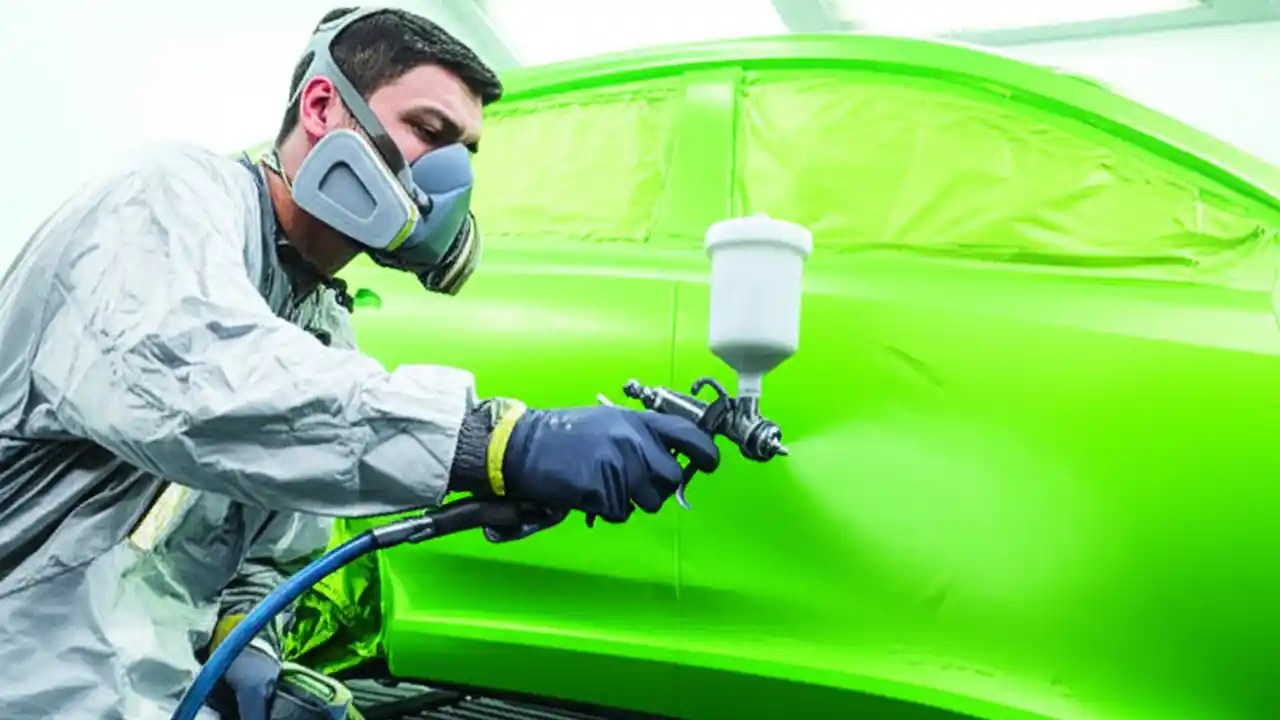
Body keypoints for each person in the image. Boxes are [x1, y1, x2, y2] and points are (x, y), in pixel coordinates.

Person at [0, 6, 720, 720]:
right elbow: (198, 384)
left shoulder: (321, 329)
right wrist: (495, 444)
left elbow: (265, 548)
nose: (447, 179)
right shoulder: (167, 197)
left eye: (463, 152)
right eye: (429, 133)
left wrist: (244, 645)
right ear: (322, 106)